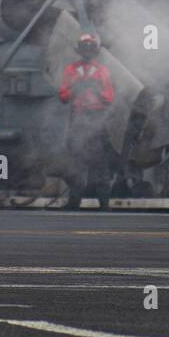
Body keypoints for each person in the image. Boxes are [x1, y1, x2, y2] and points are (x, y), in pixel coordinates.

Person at [53, 33, 117, 210]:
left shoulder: (102, 71)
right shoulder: (71, 70)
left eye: (90, 49)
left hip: (96, 118)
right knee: (76, 160)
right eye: (84, 48)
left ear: (95, 51)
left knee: (100, 162)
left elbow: (109, 97)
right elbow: (63, 96)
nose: (87, 52)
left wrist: (97, 91)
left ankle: (104, 203)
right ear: (79, 51)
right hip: (78, 117)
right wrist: (75, 88)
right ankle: (74, 202)